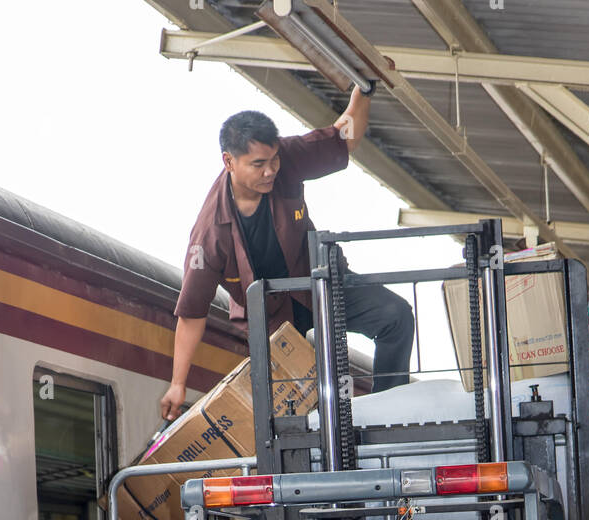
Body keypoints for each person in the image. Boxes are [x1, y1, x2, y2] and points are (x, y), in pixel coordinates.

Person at [160, 91, 415, 419]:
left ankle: (389, 409)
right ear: (229, 162)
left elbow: (344, 137)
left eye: (274, 160)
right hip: (273, 317)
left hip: (320, 284)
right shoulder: (210, 233)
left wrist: (363, 91)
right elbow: (192, 314)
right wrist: (177, 383)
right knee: (303, 404)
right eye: (258, 165)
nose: (270, 171)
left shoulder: (287, 158)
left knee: (395, 316)